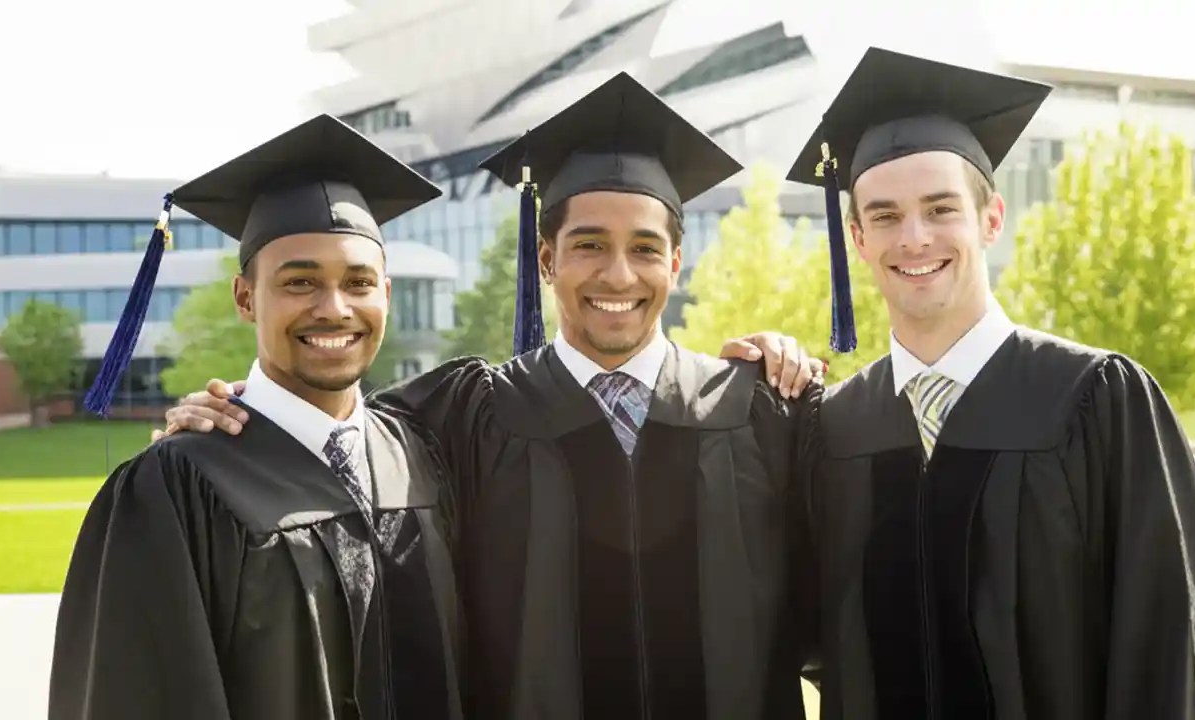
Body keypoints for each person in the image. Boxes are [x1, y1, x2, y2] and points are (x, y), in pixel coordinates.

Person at [165, 72, 822, 719]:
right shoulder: (459, 417)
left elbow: (833, 607)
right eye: (589, 245)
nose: (617, 273)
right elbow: (323, 434)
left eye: (645, 249)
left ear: (675, 264)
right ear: (545, 259)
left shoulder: (762, 408)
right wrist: (226, 429)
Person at [787, 47, 1195, 718]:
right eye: (884, 216)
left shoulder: (1096, 400)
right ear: (856, 237)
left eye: (940, 209)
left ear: (991, 220)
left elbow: (1168, 646)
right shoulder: (835, 429)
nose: (913, 238)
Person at [48, 114, 464, 720]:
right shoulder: (178, 486)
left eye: (358, 282)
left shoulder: (423, 453)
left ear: (387, 297)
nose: (334, 308)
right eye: (300, 282)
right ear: (246, 297)